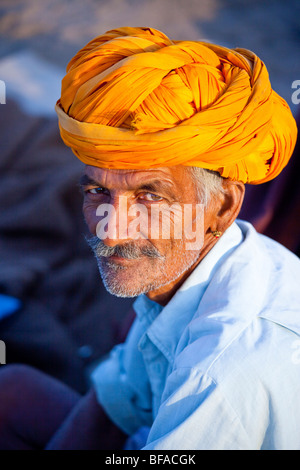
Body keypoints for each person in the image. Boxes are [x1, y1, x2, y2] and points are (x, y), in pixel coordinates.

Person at [0, 26, 299, 450]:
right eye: (96, 191)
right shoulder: (189, 273)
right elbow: (115, 400)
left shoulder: (217, 376)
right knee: (11, 394)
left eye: (149, 196)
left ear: (224, 207)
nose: (112, 228)